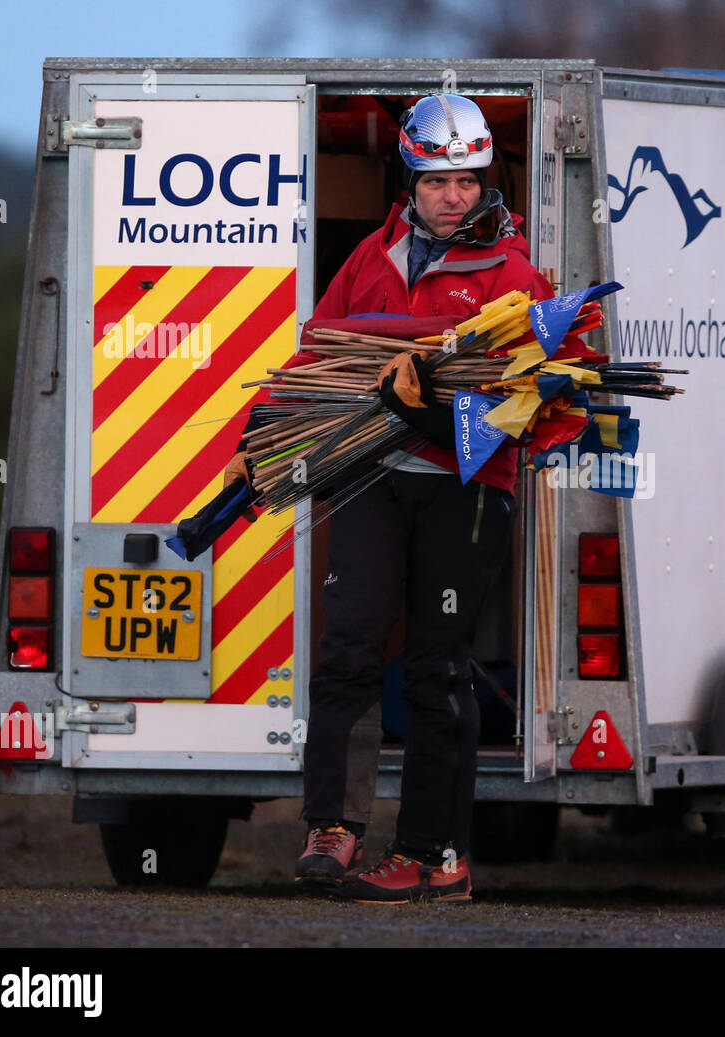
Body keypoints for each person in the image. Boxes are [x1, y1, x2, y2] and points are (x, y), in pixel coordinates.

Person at [225, 93, 584, 903]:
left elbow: (527, 403)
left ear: (485, 181)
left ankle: (435, 856)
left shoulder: (514, 276)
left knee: (434, 668)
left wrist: (430, 408)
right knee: (348, 647)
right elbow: (315, 356)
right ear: (410, 180)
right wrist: (255, 441)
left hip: (465, 491)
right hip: (371, 478)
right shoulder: (370, 258)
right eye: (437, 182)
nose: (454, 196)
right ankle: (333, 826)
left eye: (468, 181)